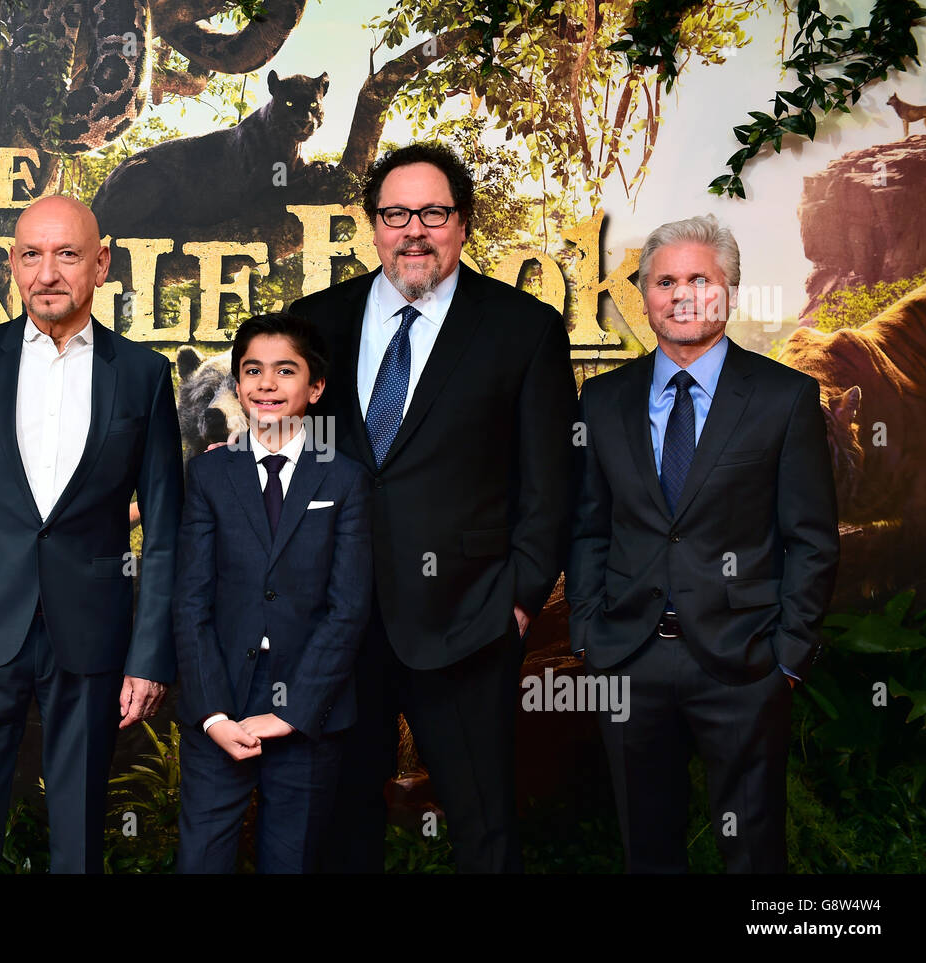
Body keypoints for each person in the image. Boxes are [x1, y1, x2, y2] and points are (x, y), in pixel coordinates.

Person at [289, 143, 577, 872]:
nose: (413, 229)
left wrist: (515, 602)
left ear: (463, 223)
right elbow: (290, 468)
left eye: (433, 212)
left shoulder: (523, 328)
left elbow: (552, 485)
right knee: (339, 822)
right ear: (373, 224)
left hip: (466, 622)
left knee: (483, 827)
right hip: (339, 623)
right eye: (395, 213)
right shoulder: (314, 323)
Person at [0, 195, 183, 873]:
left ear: (101, 264)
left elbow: (167, 532)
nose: (46, 272)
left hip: (92, 633)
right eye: (31, 254)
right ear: (13, 265)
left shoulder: (143, 375)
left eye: (66, 254)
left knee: (79, 839)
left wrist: (150, 655)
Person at [566, 213, 840, 872]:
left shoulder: (787, 398)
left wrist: (787, 655)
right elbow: (589, 527)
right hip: (629, 660)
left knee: (752, 852)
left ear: (729, 291)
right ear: (645, 295)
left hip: (744, 665)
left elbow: (812, 538)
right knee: (647, 850)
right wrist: (587, 634)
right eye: (665, 281)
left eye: (700, 278)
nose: (682, 294)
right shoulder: (602, 401)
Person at [174, 312, 372, 873]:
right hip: (219, 703)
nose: (266, 383)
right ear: (237, 385)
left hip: (309, 713)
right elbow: (190, 601)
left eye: (285, 370)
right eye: (252, 370)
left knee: (292, 860)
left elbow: (348, 608)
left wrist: (289, 714)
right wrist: (213, 713)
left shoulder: (344, 479)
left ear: (315, 387)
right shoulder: (210, 478)